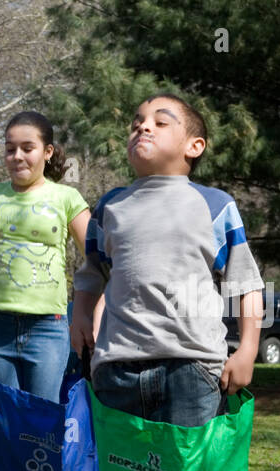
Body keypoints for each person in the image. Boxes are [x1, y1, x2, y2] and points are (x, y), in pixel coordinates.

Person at [71, 94, 264, 426]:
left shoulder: (215, 205)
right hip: (116, 369)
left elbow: (246, 285)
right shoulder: (110, 206)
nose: (143, 126)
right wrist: (80, 316)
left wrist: (247, 350)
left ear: (194, 146)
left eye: (160, 122)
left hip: (192, 370)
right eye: (137, 123)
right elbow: (91, 274)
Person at [0, 112, 90, 403]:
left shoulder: (67, 198)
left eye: (27, 148)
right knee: (5, 424)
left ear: (47, 152)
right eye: (9, 149)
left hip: (48, 328)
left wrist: (84, 312)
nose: (17, 156)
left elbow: (96, 261)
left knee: (44, 429)